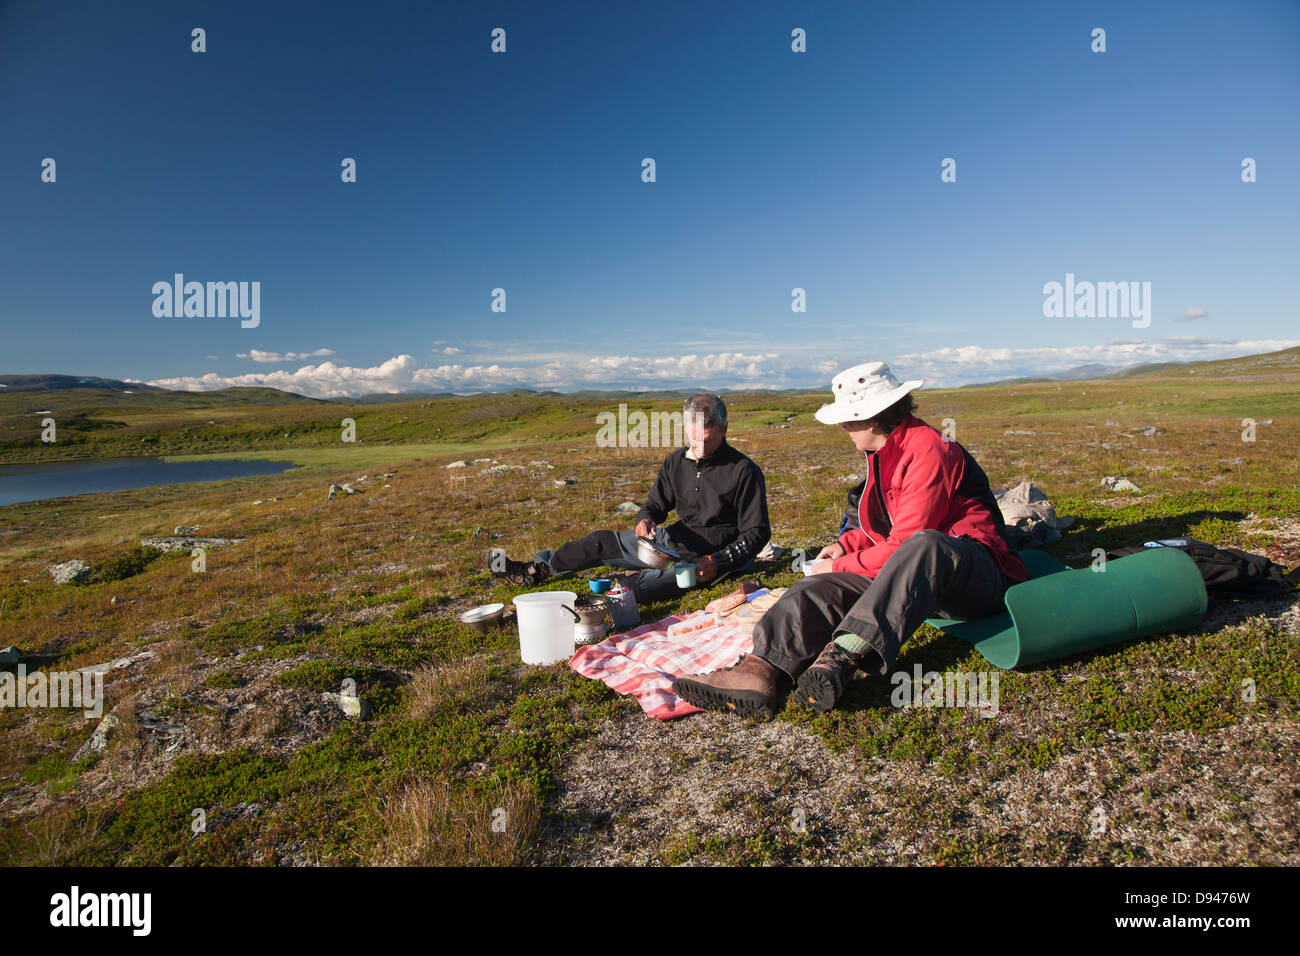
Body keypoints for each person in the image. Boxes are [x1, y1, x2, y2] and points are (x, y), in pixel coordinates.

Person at [672, 362, 1028, 717]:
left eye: (849, 418)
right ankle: (760, 669)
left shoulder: (929, 449)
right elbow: (889, 524)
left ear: (873, 417)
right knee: (817, 586)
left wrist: (841, 563)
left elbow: (908, 541)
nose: (843, 426)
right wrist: (849, 544)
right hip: (914, 576)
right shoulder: (884, 451)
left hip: (979, 575)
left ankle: (841, 657)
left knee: (924, 546)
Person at [490, 393, 771, 604]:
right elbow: (655, 505)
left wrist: (720, 561)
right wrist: (644, 519)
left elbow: (757, 533)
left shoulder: (744, 470)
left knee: (629, 591)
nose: (700, 448)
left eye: (708, 440)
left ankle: (583, 605)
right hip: (670, 544)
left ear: (724, 430)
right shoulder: (676, 461)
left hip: (706, 561)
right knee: (598, 542)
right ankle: (537, 570)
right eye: (694, 439)